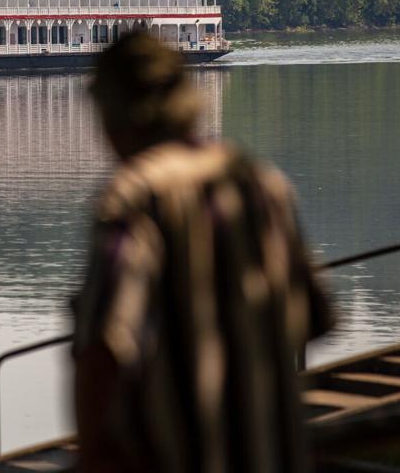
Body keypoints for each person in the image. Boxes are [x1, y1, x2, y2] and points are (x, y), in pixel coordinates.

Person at [73, 33, 333, 473]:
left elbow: (104, 344)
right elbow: (316, 317)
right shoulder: (258, 181)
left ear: (115, 115)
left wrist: (95, 453)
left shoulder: (136, 196)